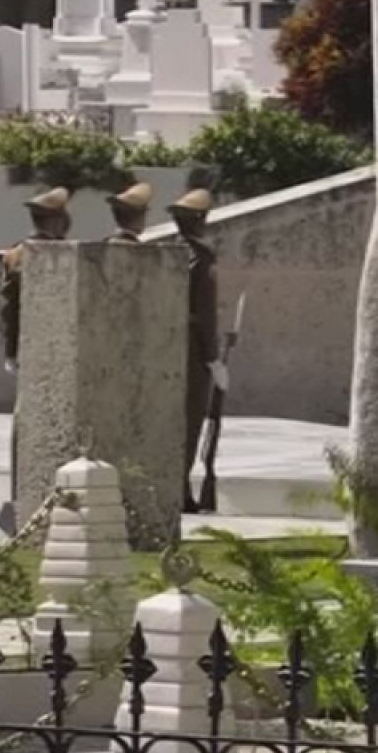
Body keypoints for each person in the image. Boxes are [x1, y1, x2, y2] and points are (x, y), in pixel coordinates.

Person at [0, 186, 71, 533]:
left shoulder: (15, 254)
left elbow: (8, 310)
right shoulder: (62, 254)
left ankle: (20, 490)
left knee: (24, 422)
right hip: (61, 351)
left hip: (29, 351)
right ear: (57, 220)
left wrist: (11, 352)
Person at [169, 189, 224, 512]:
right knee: (189, 421)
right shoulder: (201, 258)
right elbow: (204, 313)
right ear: (201, 221)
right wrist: (213, 357)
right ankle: (181, 492)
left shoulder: (168, 252)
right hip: (192, 349)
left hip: (168, 345)